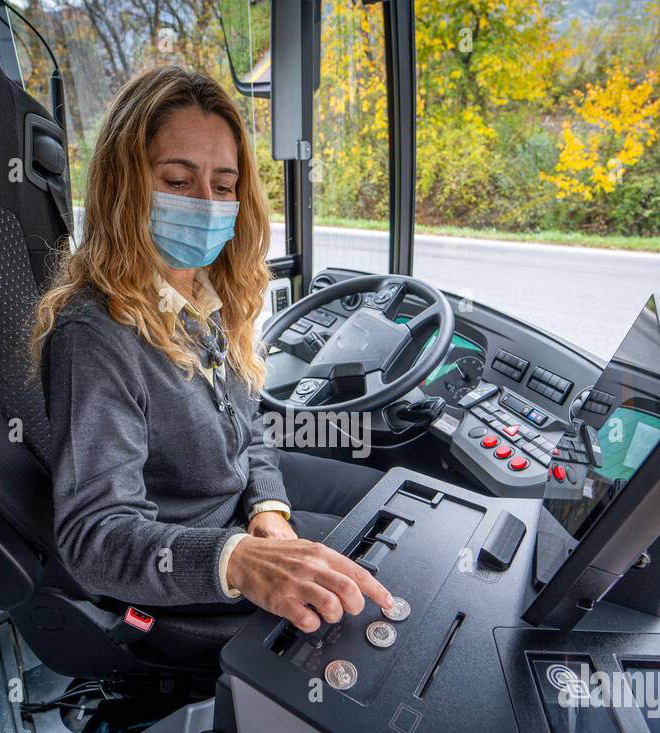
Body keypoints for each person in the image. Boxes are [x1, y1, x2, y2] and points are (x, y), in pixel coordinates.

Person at [33, 66, 394, 635]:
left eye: (223, 186)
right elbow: (95, 537)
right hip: (189, 560)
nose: (206, 203)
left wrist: (268, 511)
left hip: (239, 506)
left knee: (397, 507)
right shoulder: (94, 335)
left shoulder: (206, 298)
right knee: (384, 571)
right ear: (123, 188)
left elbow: (248, 430)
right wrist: (240, 559)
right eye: (178, 181)